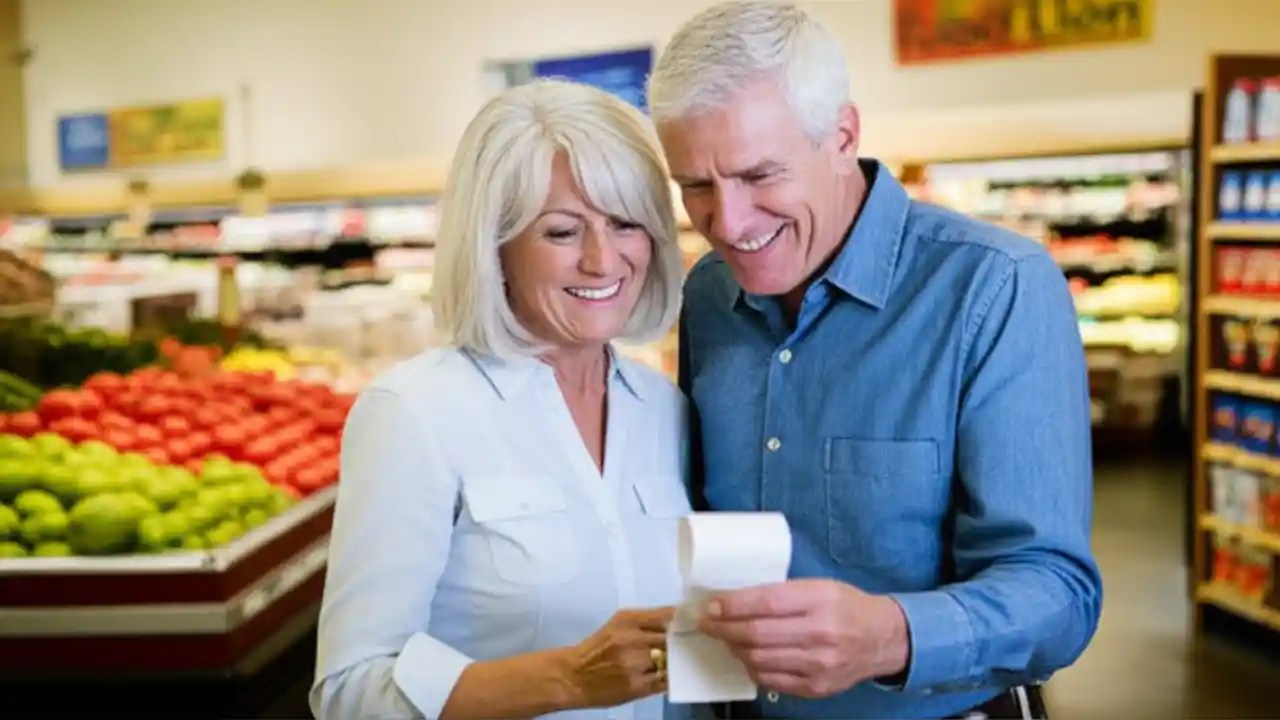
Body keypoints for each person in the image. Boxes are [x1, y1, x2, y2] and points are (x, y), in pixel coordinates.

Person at [647, 2, 1103, 718]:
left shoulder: (994, 287)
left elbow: (1058, 595)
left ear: (842, 136)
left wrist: (891, 636)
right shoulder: (708, 293)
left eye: (760, 174)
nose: (727, 223)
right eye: (696, 187)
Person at [310, 78, 693, 720]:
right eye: (563, 232)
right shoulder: (415, 414)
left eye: (626, 223)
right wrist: (567, 680)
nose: (604, 260)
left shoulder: (667, 410)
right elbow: (349, 689)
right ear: (495, 247)